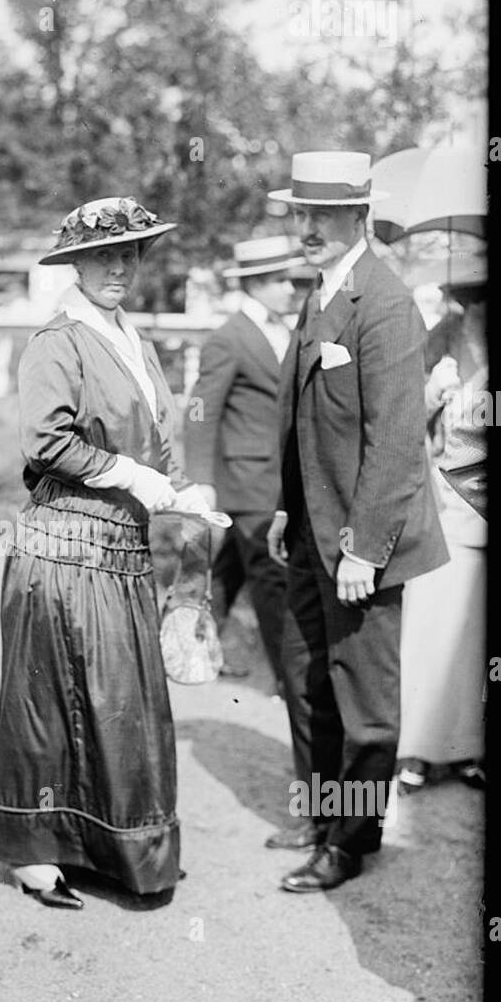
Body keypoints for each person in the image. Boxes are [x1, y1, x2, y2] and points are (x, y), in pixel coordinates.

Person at [0, 197, 217, 908]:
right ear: (76, 264)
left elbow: (157, 440)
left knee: (117, 704)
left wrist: (180, 490)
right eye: (101, 255)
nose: (118, 266)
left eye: (129, 253)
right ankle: (33, 857)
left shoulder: (132, 340)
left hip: (119, 548)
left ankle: (111, 851)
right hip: (62, 547)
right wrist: (135, 477)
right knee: (50, 704)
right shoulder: (57, 341)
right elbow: (46, 442)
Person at [264, 152, 449, 891]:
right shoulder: (321, 293)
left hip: (361, 543)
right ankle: (320, 814)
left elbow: (396, 443)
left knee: (365, 706)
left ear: (358, 216)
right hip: (310, 531)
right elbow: (301, 420)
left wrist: (364, 550)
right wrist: (286, 508)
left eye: (323, 215)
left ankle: (351, 842)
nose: (307, 228)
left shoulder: (385, 303)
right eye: (300, 213)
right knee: (307, 679)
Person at [185, 236, 304, 691]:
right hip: (248, 479)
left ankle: (188, 647)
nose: (290, 289)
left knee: (230, 571)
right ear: (255, 284)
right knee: (272, 578)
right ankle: (290, 682)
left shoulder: (286, 330)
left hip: (277, 477)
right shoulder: (229, 338)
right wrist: (201, 478)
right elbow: (200, 409)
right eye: (280, 280)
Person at [397, 254, 488, 791]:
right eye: (466, 298)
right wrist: (434, 396)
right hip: (444, 510)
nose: (472, 309)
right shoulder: (441, 345)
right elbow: (403, 416)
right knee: (431, 632)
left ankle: (466, 748)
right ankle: (417, 749)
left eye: (480, 298)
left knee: (474, 642)